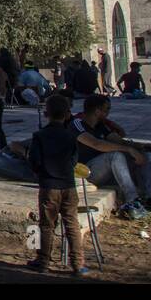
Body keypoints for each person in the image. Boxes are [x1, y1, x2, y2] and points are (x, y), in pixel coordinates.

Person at [26, 96, 87, 276]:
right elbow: (75, 159)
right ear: (67, 114)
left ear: (46, 114)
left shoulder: (40, 136)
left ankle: (43, 260)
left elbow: (34, 160)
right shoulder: (70, 136)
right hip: (68, 185)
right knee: (72, 224)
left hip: (48, 185)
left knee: (46, 224)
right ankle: (78, 263)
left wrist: (39, 172)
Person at [71, 94, 151, 219]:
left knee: (141, 153)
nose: (109, 113)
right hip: (85, 172)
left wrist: (139, 146)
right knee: (115, 156)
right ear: (97, 111)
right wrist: (128, 149)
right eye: (107, 109)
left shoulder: (101, 125)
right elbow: (96, 143)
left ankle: (146, 197)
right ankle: (132, 201)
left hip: (102, 170)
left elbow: (118, 140)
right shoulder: (77, 124)